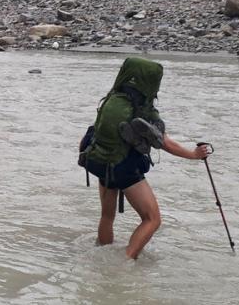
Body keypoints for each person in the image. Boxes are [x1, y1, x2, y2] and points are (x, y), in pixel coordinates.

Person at [79, 57, 210, 259]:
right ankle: (125, 262)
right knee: (152, 219)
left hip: (101, 163)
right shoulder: (142, 109)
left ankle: (101, 253)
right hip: (124, 169)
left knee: (107, 215)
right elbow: (165, 143)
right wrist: (193, 155)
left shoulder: (111, 100)